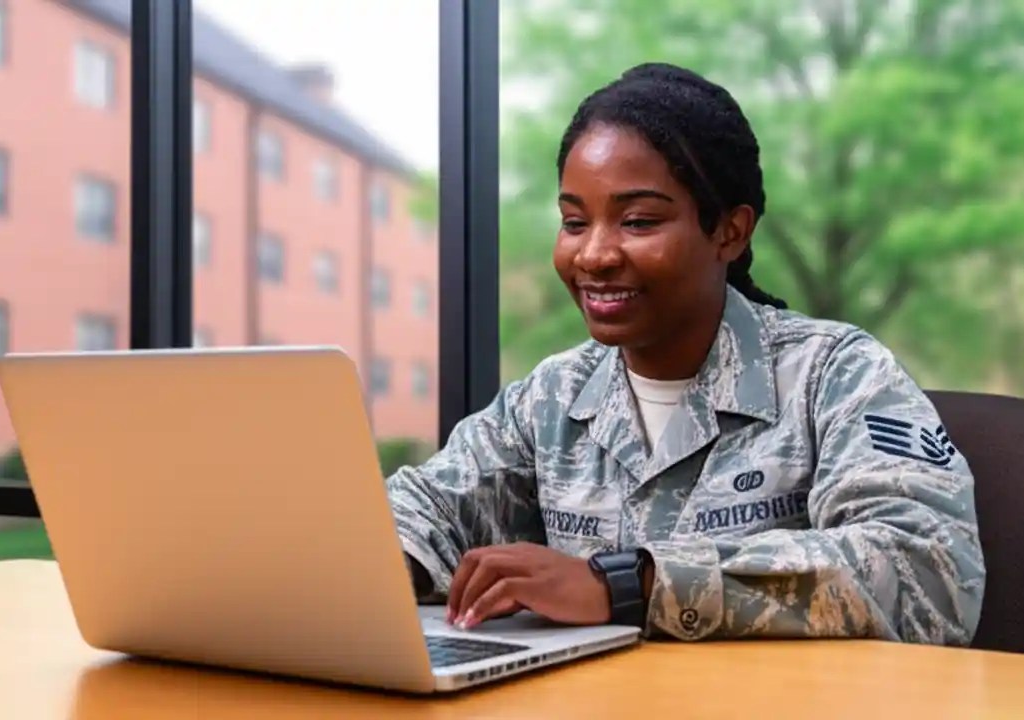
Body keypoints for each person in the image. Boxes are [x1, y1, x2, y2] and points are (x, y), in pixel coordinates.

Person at [386, 62, 985, 646]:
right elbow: (423, 509)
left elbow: (927, 573)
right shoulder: (551, 398)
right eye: (574, 222)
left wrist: (629, 586)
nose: (593, 255)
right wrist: (381, 564)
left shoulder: (835, 373)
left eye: (638, 221)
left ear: (730, 231)